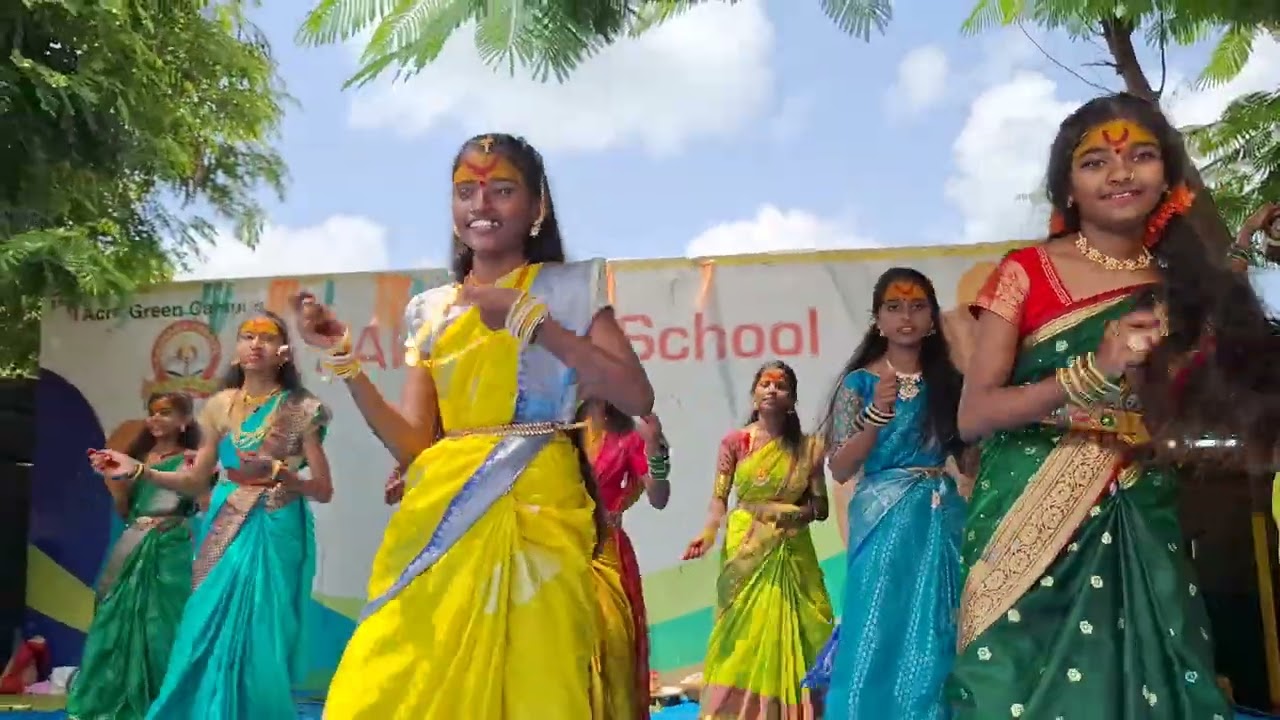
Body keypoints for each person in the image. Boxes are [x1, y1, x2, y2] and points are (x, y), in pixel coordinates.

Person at [948, 92, 1280, 719]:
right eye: (1095, 161)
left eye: (1141, 156)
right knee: (1008, 693)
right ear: (1067, 188)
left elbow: (1231, 387)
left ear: (1169, 182)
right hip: (1027, 513)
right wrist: (1090, 373)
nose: (1121, 172)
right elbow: (975, 415)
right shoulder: (1026, 272)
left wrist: (1242, 254)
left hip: (1139, 511)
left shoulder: (1182, 289)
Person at [307, 133, 654, 718]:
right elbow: (415, 441)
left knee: (534, 675)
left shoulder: (567, 289)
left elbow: (635, 393)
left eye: (501, 190)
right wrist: (346, 362)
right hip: (443, 508)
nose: (481, 206)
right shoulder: (430, 310)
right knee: (393, 670)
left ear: (537, 206)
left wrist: (530, 321)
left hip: (539, 504)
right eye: (466, 192)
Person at [89, 311, 334, 720]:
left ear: (283, 352)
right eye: (247, 336)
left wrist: (279, 474)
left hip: (275, 525)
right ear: (236, 351)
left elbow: (323, 489)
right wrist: (136, 470)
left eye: (267, 337)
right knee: (204, 625)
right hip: (224, 526)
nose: (256, 343)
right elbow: (194, 481)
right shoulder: (218, 407)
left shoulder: (302, 409)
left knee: (259, 631)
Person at [803, 268, 966, 719]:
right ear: (877, 320)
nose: (906, 317)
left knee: (935, 626)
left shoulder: (949, 382)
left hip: (939, 514)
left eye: (917, 306)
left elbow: (967, 453)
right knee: (877, 623)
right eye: (894, 307)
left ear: (933, 318)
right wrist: (875, 417)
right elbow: (839, 467)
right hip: (882, 514)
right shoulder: (858, 383)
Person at [681, 360, 833, 718]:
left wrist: (791, 514)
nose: (771, 390)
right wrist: (707, 533)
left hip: (791, 549)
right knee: (740, 633)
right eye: (765, 384)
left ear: (792, 399)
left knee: (800, 628)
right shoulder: (735, 443)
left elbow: (821, 506)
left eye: (780, 386)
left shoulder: (809, 448)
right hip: (746, 547)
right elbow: (719, 498)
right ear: (754, 394)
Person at [68, 393, 204, 720]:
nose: (156, 419)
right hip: (133, 542)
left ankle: (163, 704)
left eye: (166, 413)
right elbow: (126, 509)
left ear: (184, 421)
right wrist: (112, 478)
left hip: (169, 545)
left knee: (161, 625)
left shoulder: (193, 459)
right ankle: (106, 701)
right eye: (152, 413)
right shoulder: (136, 457)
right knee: (114, 619)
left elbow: (201, 501)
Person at [577, 401, 670, 719]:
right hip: (558, 553)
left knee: (613, 648)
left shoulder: (628, 435)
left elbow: (659, 497)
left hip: (607, 555)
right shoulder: (557, 431)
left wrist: (654, 448)